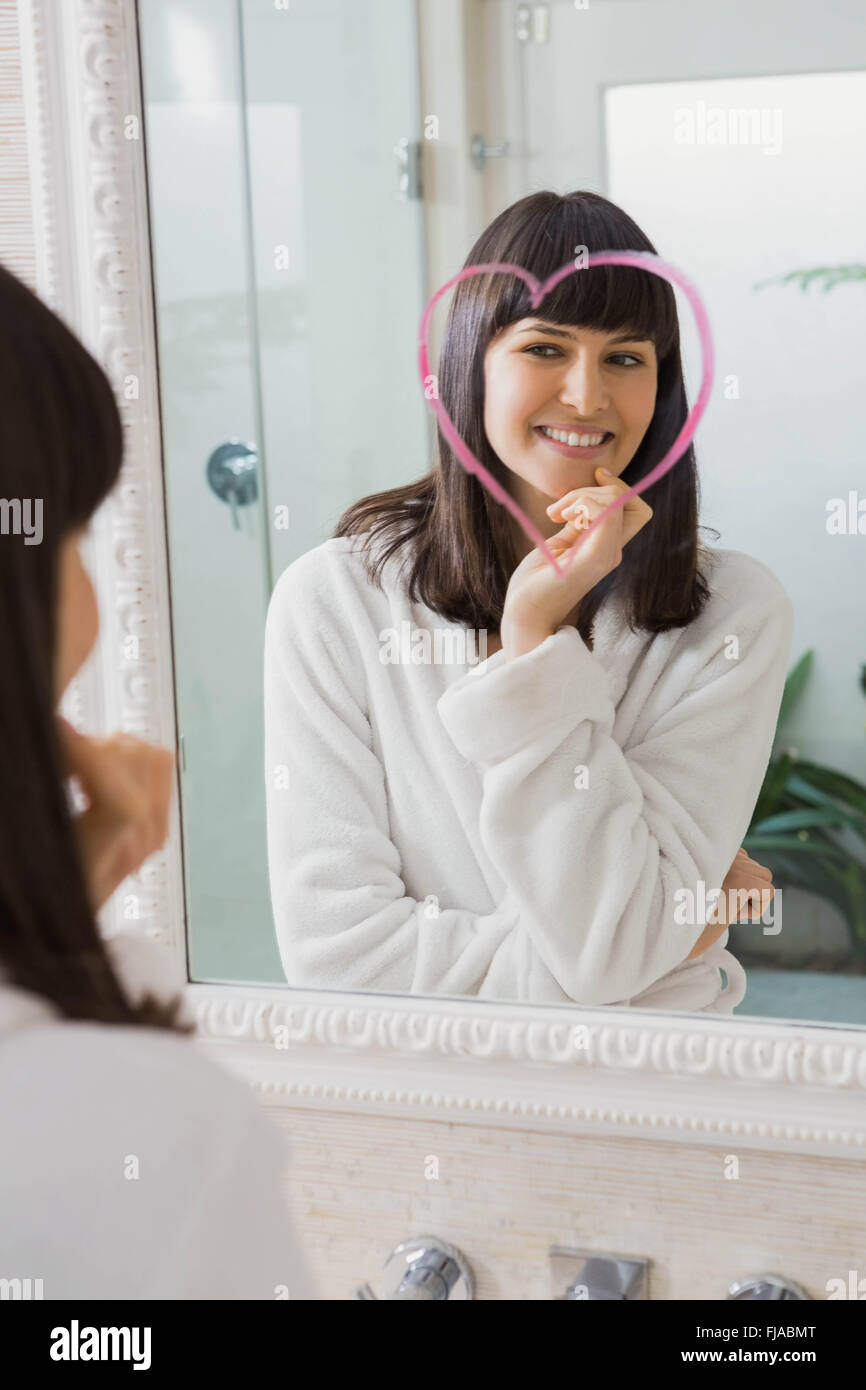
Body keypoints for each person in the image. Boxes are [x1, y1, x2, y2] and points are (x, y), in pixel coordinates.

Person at [264, 189, 785, 1013]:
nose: (586, 396)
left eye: (625, 358)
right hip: (428, 1103)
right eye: (546, 347)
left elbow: (613, 948)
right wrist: (669, 937)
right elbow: (339, 961)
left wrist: (533, 639)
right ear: (470, 363)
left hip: (663, 1098)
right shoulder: (334, 601)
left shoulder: (730, 614)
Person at [0, 262, 317, 1300]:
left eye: (626, 357)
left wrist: (59, 911)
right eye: (80, 531)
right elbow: (342, 933)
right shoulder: (126, 1135)